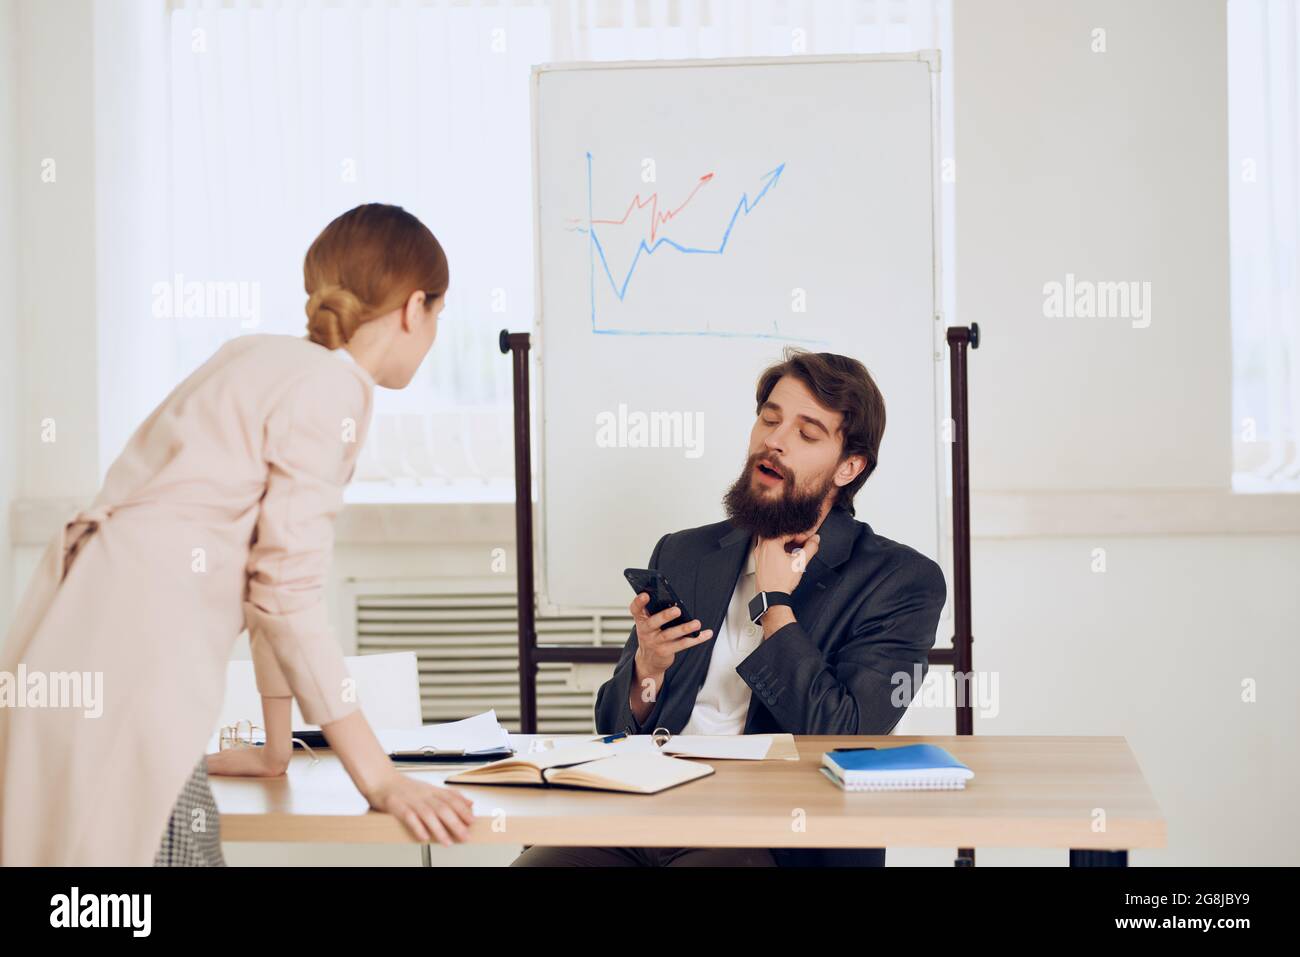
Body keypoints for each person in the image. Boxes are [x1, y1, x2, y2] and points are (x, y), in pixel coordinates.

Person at [0, 203, 475, 865]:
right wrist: (381, 777)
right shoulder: (335, 393)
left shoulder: (259, 357)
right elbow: (287, 594)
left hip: (74, 645)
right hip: (138, 674)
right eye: (439, 317)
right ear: (414, 307)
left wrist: (278, 747)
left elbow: (259, 577)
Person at [513, 348, 946, 867]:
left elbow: (845, 733)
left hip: (770, 829)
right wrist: (647, 670)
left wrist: (774, 604)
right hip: (641, 807)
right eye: (769, 419)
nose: (774, 441)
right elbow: (614, 726)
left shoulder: (901, 581)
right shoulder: (684, 551)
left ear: (848, 467)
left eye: (806, 434)